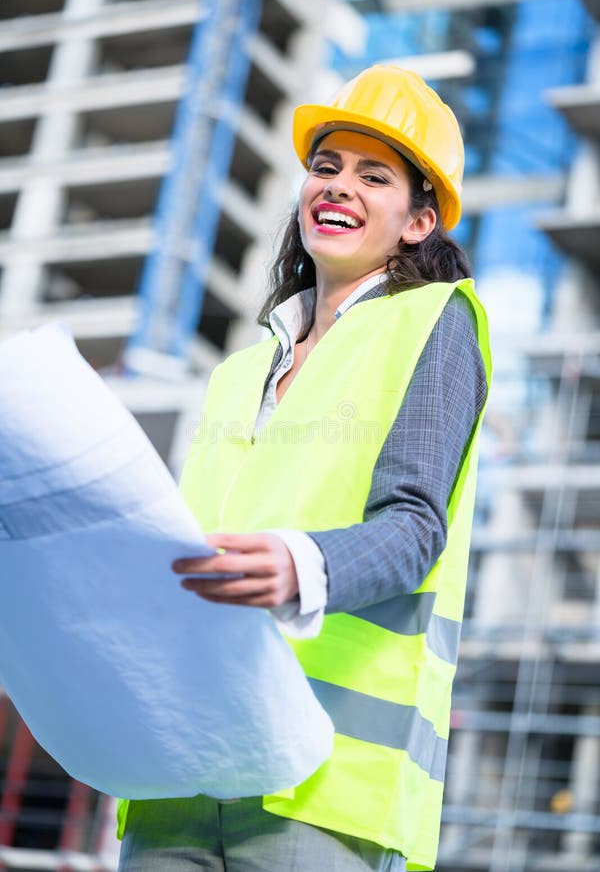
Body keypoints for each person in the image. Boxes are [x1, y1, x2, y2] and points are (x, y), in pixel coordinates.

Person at [117, 64, 492, 872]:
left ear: (419, 221)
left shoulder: (436, 322)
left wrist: (300, 564)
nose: (340, 185)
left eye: (374, 175)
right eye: (326, 166)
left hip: (321, 784)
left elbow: (415, 527)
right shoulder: (235, 377)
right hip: (182, 756)